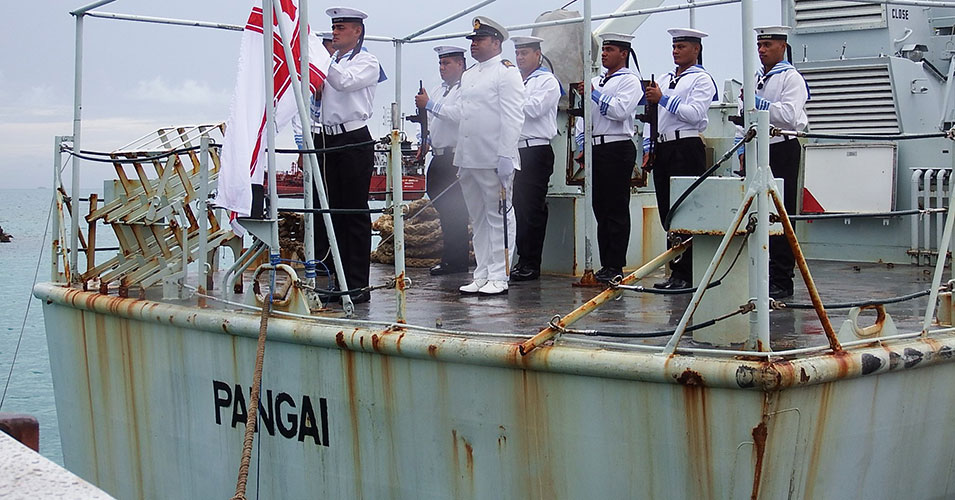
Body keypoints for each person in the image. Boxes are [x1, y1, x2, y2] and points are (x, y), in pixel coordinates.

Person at [417, 16, 524, 296]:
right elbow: (465, 117)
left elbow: (513, 117)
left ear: (496, 42)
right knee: (477, 218)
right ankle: (482, 272)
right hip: (468, 158)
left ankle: (500, 275)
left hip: (493, 157)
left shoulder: (506, 72)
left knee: (498, 216)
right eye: (473, 40)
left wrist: (505, 155)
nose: (474, 45)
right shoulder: (470, 75)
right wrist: (460, 159)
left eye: (480, 40)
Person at [313, 7, 383, 304]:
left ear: (357, 31)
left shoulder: (366, 60)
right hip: (325, 138)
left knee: (352, 212)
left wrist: (317, 58)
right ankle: (333, 277)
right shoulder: (332, 61)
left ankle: (357, 284)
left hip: (352, 138)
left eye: (342, 27)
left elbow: (343, 82)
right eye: (334, 27)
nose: (336, 32)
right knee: (326, 211)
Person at [644, 28, 717, 290]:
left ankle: (688, 272)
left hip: (686, 144)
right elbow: (651, 115)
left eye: (682, 47)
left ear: (696, 49)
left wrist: (664, 99)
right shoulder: (664, 77)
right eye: (674, 47)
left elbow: (695, 114)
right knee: (668, 212)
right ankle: (675, 270)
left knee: (686, 208)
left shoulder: (702, 80)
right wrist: (648, 145)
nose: (676, 51)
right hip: (663, 146)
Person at [573, 33, 643, 283]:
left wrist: (594, 94)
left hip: (616, 146)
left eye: (610, 49)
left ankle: (616, 265)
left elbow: (620, 111)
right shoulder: (597, 81)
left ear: (623, 53)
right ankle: (605, 264)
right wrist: (581, 144)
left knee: (615, 208)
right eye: (603, 49)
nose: (603, 54)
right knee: (600, 208)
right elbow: (583, 117)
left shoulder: (630, 81)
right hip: (595, 148)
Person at [745, 25, 809, 299]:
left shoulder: (790, 78)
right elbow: (744, 116)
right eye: (760, 45)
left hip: (781, 148)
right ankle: (763, 273)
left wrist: (757, 103)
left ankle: (782, 279)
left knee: (781, 215)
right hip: (757, 149)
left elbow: (790, 116)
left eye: (767, 45)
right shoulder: (759, 77)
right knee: (758, 214)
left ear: (782, 46)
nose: (761, 50)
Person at [415, 45, 471, 276]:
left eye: (447, 63)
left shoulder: (466, 89)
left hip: (455, 156)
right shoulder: (438, 90)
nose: (442, 68)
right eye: (440, 63)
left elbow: (458, 114)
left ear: (460, 64)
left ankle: (457, 260)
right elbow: (432, 121)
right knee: (442, 207)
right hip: (437, 154)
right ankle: (450, 257)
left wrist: (429, 104)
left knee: (456, 210)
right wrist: (424, 140)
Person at [510, 36, 561, 282]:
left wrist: (508, 96)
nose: (520, 58)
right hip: (515, 150)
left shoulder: (547, 81)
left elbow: (533, 109)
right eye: (518, 53)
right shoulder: (519, 82)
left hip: (535, 149)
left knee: (532, 209)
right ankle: (521, 259)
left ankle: (531, 262)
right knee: (518, 208)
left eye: (525, 53)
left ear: (538, 54)